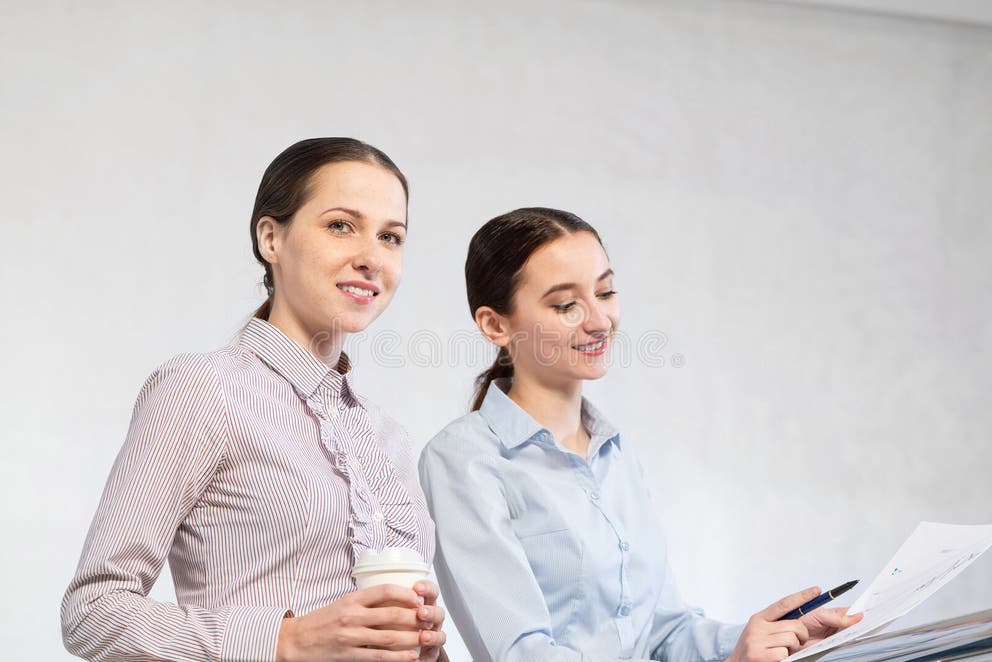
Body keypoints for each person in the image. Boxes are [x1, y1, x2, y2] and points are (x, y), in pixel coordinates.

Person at [62, 138, 447, 662]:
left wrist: (423, 647)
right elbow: (92, 612)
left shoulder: (389, 439)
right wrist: (284, 641)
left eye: (391, 236)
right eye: (340, 225)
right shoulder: (200, 390)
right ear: (271, 237)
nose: (371, 257)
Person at [418, 207, 861, 661]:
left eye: (605, 292)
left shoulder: (615, 453)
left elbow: (666, 635)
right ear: (496, 325)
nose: (599, 320)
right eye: (566, 305)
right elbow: (523, 654)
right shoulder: (463, 459)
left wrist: (766, 638)